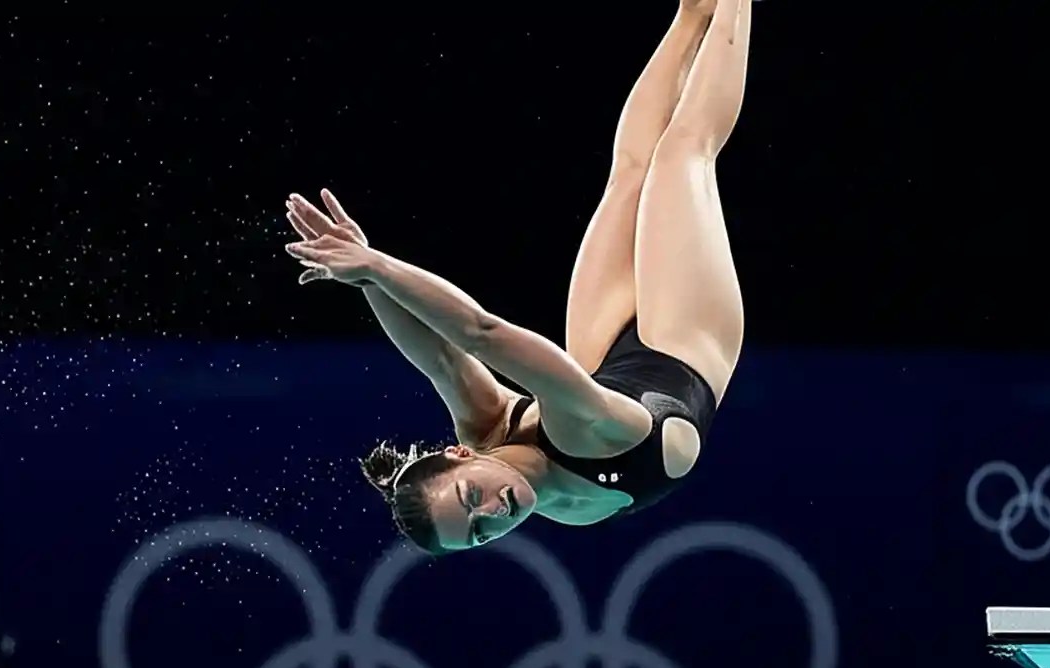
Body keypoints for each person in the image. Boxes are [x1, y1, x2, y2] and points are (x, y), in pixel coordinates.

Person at [284, 0, 749, 554]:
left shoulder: (485, 428)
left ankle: (692, 14)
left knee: (629, 174)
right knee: (681, 155)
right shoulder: (583, 435)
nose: (493, 514)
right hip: (687, 349)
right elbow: (481, 334)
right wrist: (379, 269)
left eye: (470, 500)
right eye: (480, 533)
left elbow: (444, 352)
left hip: (607, 360)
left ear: (461, 455)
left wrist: (367, 275)